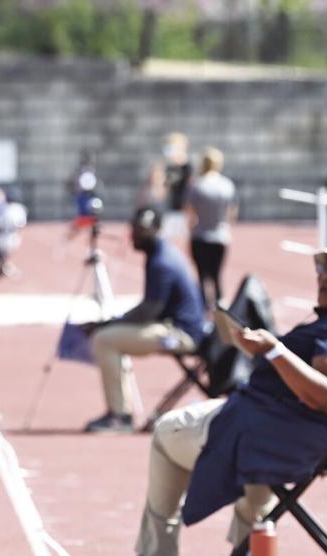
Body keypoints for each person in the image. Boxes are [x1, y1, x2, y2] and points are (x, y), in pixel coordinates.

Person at [108, 238, 327, 556]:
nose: (325, 278)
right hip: (285, 431)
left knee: (167, 431)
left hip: (283, 437)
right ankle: (248, 550)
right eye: (323, 267)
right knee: (249, 438)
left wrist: (274, 351)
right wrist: (262, 348)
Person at [83, 207, 204, 433]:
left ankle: (119, 416)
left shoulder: (161, 261)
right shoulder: (160, 251)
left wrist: (108, 324)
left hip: (181, 334)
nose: (136, 236)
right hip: (173, 326)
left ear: (156, 230)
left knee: (104, 339)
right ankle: (121, 411)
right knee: (107, 336)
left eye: (142, 232)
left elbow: (149, 311)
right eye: (135, 230)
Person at [184, 146, 237, 309]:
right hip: (220, 236)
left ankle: (203, 309)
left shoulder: (197, 185)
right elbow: (232, 214)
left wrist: (192, 230)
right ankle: (220, 310)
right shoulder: (227, 185)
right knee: (216, 276)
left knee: (202, 276)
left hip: (200, 236)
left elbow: (190, 214)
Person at [161, 132, 192, 240]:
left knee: (183, 238)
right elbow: (164, 190)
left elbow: (190, 187)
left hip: (183, 210)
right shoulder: (170, 168)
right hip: (171, 209)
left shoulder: (187, 167)